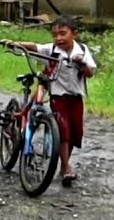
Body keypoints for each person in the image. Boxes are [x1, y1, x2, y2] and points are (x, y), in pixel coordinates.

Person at [6, 16, 97, 187]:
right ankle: (66, 166)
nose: (59, 38)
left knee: (75, 132)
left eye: (63, 34)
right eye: (55, 35)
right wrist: (15, 43)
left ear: (74, 34)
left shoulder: (82, 51)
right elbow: (35, 46)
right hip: (58, 97)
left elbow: (90, 72)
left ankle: (64, 165)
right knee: (63, 131)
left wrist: (81, 64)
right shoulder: (52, 50)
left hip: (76, 98)